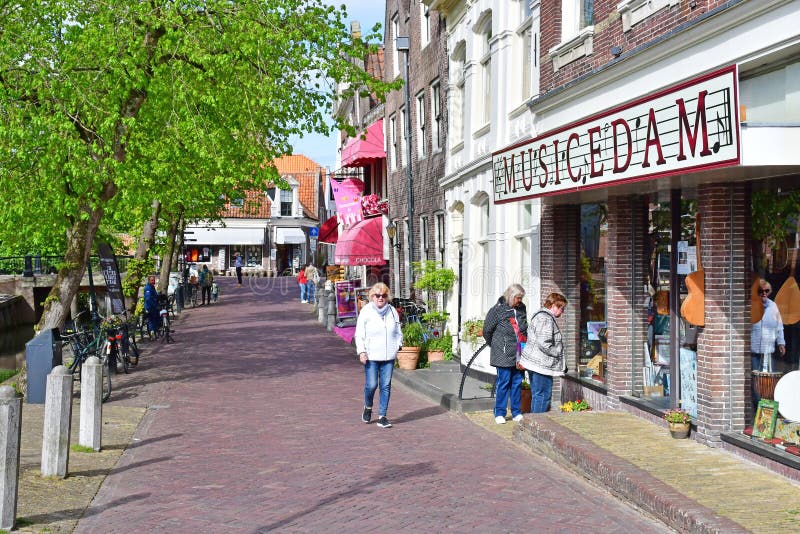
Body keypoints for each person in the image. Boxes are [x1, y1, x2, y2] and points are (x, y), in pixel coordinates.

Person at [355, 283, 403, 428]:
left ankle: (383, 416)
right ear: (372, 297)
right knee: (371, 385)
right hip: (372, 355)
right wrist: (362, 351)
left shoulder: (392, 311)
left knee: (386, 385)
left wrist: (398, 344)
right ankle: (368, 406)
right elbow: (359, 333)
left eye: (383, 295)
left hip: (389, 355)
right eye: (377, 295)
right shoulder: (366, 311)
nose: (380, 298)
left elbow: (398, 330)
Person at [482, 284, 528, 424]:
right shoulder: (497, 310)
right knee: (504, 382)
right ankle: (500, 413)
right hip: (503, 353)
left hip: (519, 351)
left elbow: (524, 327)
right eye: (517, 298)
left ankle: (516, 412)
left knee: (517, 383)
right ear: (510, 296)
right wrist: (496, 345)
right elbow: (487, 331)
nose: (519, 301)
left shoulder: (521, 308)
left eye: (521, 298)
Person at [519, 292, 568, 413]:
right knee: (543, 396)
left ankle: (532, 424)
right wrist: (557, 352)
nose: (562, 312)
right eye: (562, 308)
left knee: (537, 395)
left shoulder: (540, 316)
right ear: (553, 306)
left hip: (535, 362)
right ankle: (538, 425)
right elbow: (544, 343)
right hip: (541, 365)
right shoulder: (545, 319)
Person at [751, 279, 786, 409]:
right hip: (753, 350)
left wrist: (781, 343)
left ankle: (766, 408)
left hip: (768, 350)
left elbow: (779, 326)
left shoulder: (773, 306)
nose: (764, 293)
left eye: (767, 291)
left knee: (767, 380)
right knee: (755, 381)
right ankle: (756, 406)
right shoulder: (751, 306)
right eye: (761, 291)